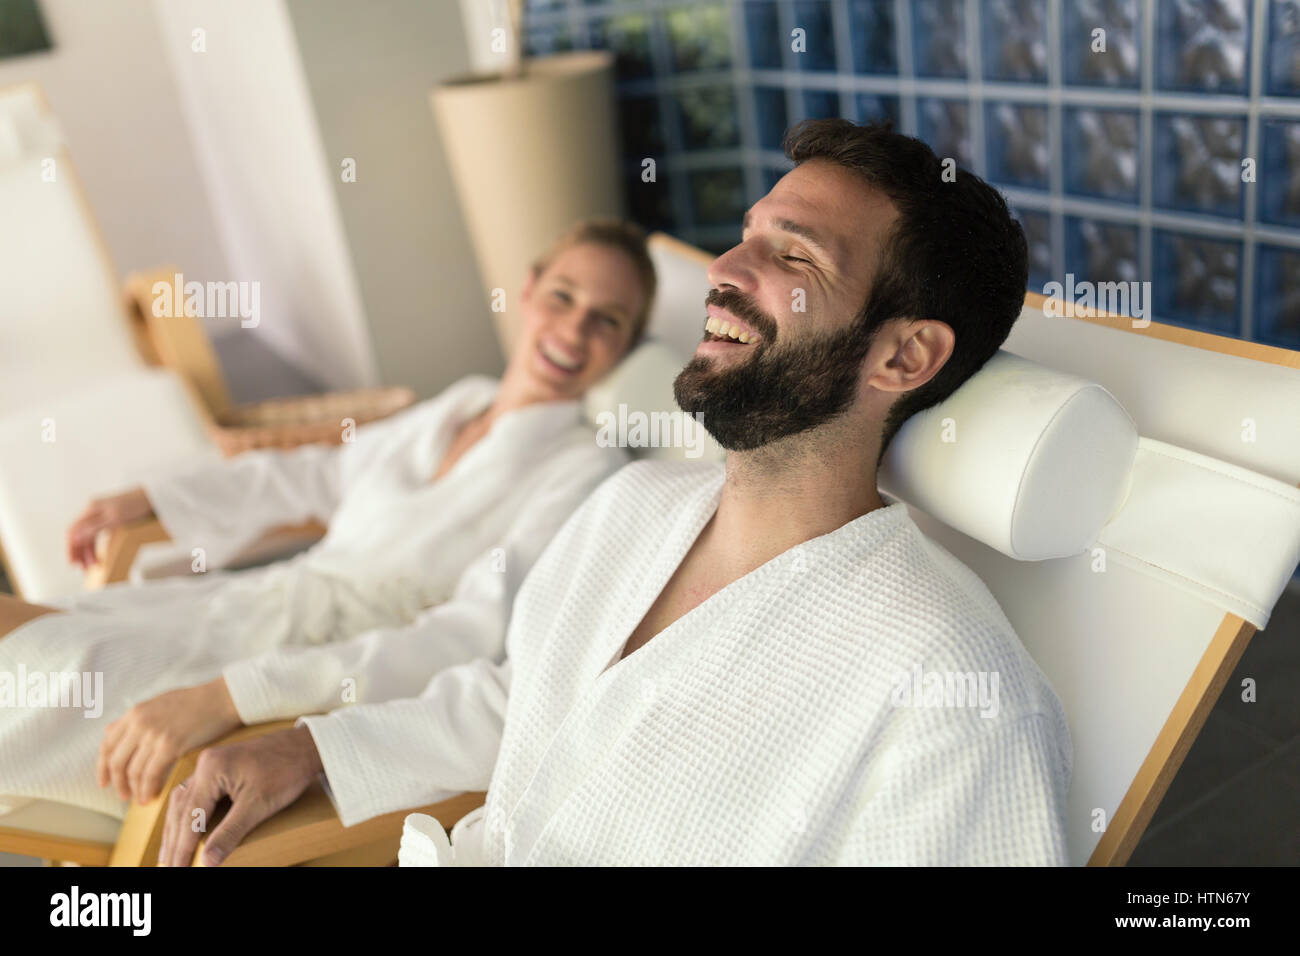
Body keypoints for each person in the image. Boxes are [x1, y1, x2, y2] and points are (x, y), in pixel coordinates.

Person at [157, 119, 1071, 867]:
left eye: (793, 258)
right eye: (746, 237)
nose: (726, 270)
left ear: (905, 355)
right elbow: (526, 704)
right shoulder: (633, 507)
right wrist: (313, 745)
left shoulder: (955, 690)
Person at [0, 218, 655, 821]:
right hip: (241, 605)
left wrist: (231, 696)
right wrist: (159, 497)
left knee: (65, 668)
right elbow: (317, 473)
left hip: (299, 677)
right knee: (31, 621)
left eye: (608, 321)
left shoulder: (582, 472)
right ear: (529, 289)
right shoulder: (464, 402)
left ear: (626, 347)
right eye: (563, 297)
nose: (574, 332)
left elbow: (468, 636)